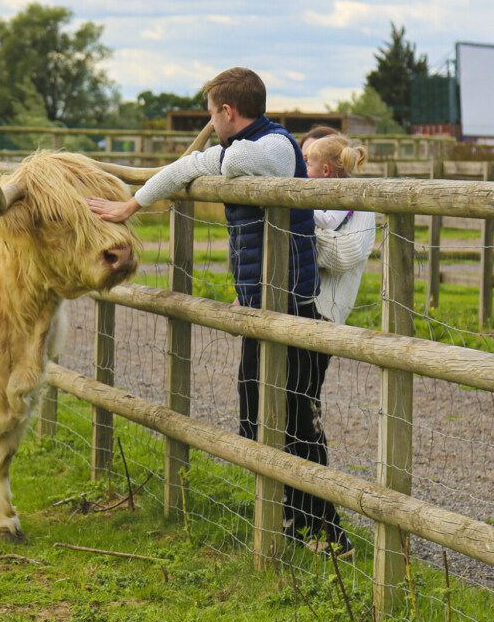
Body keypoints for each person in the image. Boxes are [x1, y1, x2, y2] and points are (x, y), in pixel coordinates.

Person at [87, 67, 350, 554]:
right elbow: (185, 168)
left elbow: (225, 164)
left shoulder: (273, 145)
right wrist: (132, 205)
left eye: (212, 112)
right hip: (261, 304)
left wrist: (215, 158)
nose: (211, 120)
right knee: (254, 416)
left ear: (228, 112)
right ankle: (293, 519)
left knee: (291, 417)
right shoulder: (242, 143)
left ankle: (327, 530)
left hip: (291, 305)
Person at [301, 134, 376, 326]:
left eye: (308, 164)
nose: (303, 170)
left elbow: (341, 254)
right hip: (291, 303)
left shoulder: (350, 195)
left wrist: (297, 222)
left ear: (326, 169)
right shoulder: (320, 191)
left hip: (322, 313)